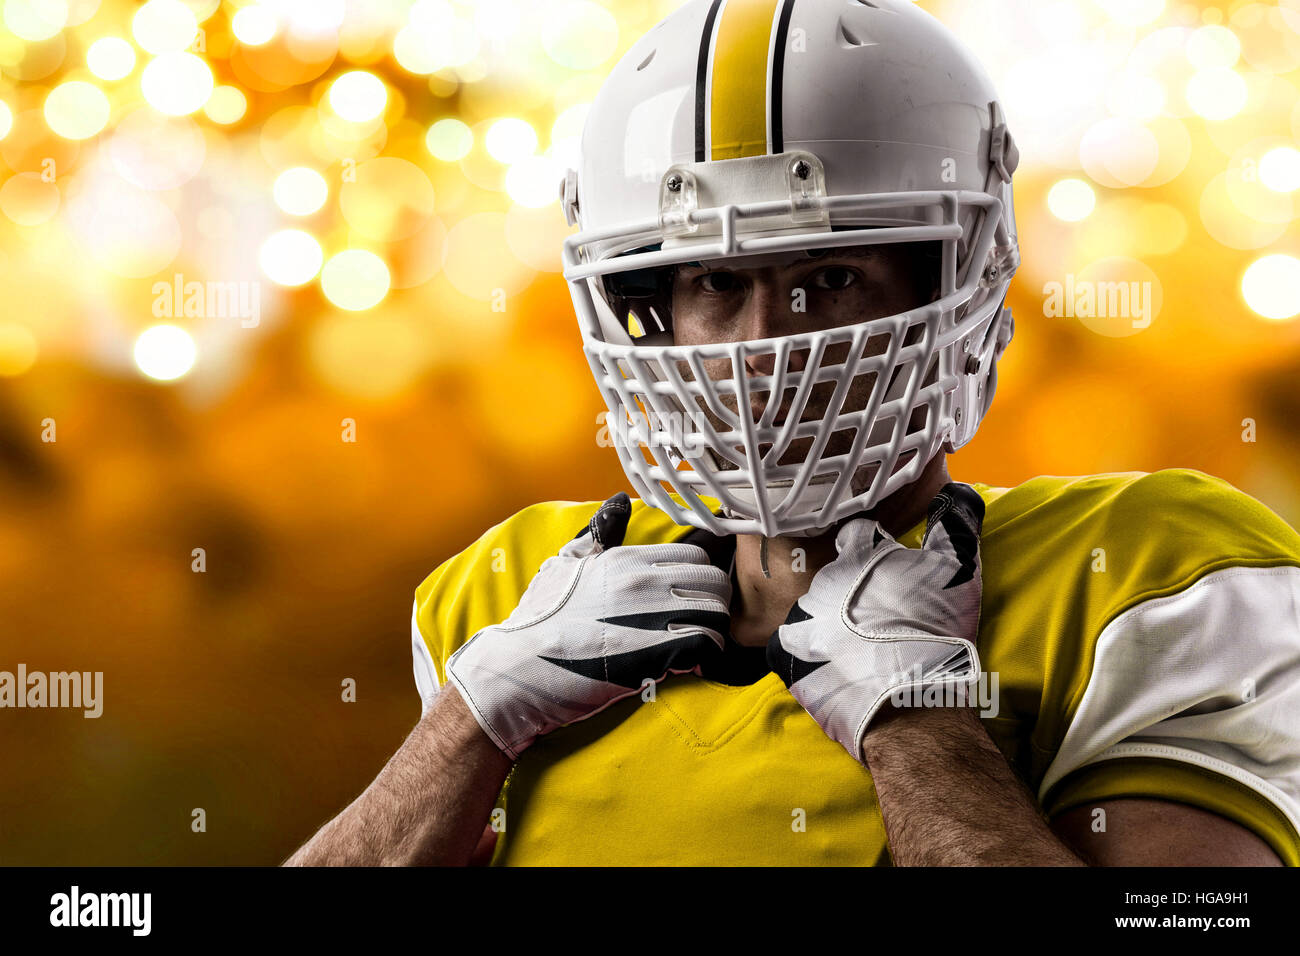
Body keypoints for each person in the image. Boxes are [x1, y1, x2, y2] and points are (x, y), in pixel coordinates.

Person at [285, 0, 1300, 866]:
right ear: (649, 306)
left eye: (830, 277)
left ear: (953, 283)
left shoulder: (1140, 569)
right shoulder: (510, 585)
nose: (766, 343)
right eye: (717, 282)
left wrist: (916, 721)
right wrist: (471, 722)